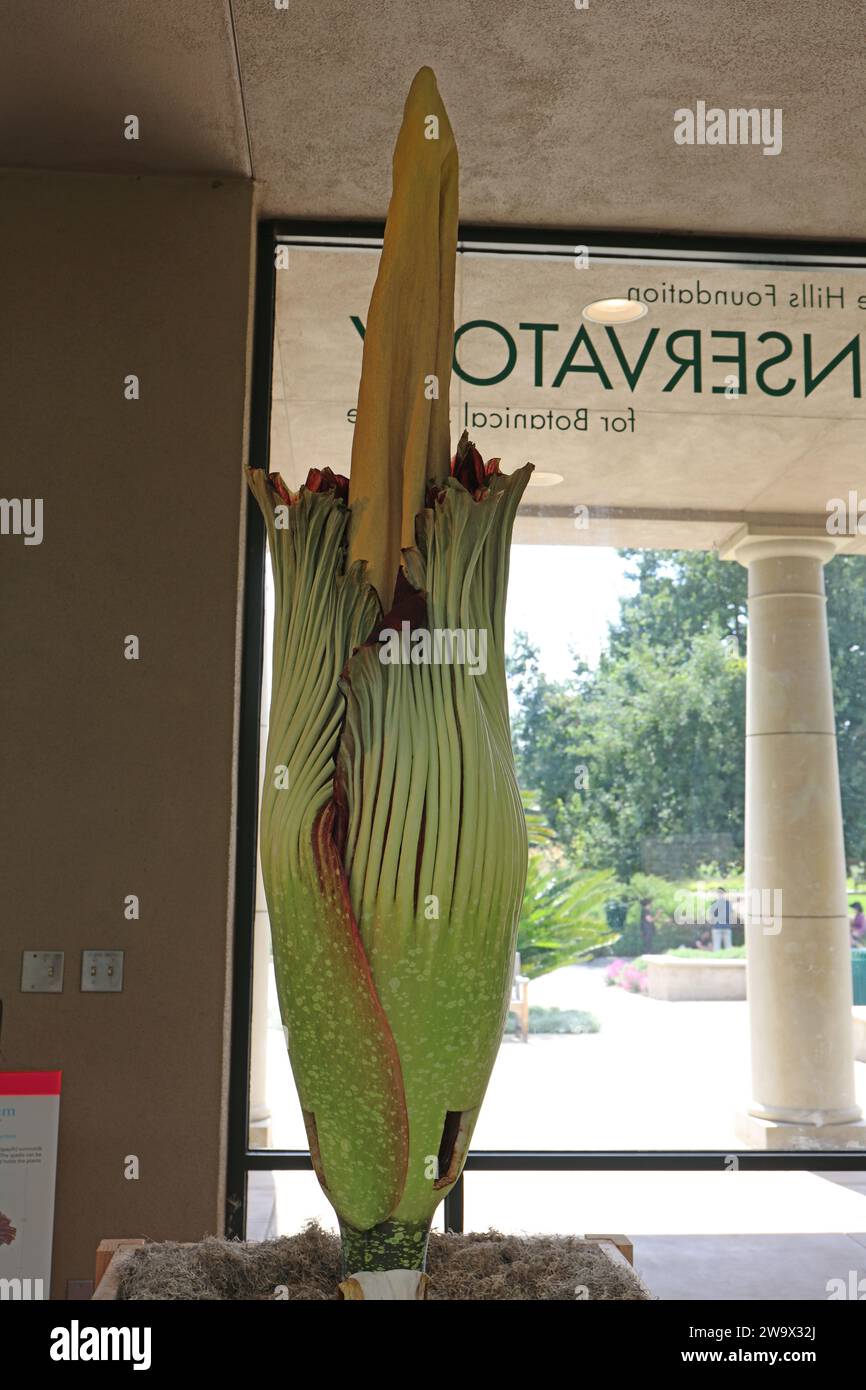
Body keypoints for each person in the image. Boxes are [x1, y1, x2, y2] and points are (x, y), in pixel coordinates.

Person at [709, 885, 734, 950]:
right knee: (728, 946)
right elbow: (731, 916)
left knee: (717, 946)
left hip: (718, 926)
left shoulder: (714, 903)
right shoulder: (728, 903)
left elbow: (711, 916)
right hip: (725, 926)